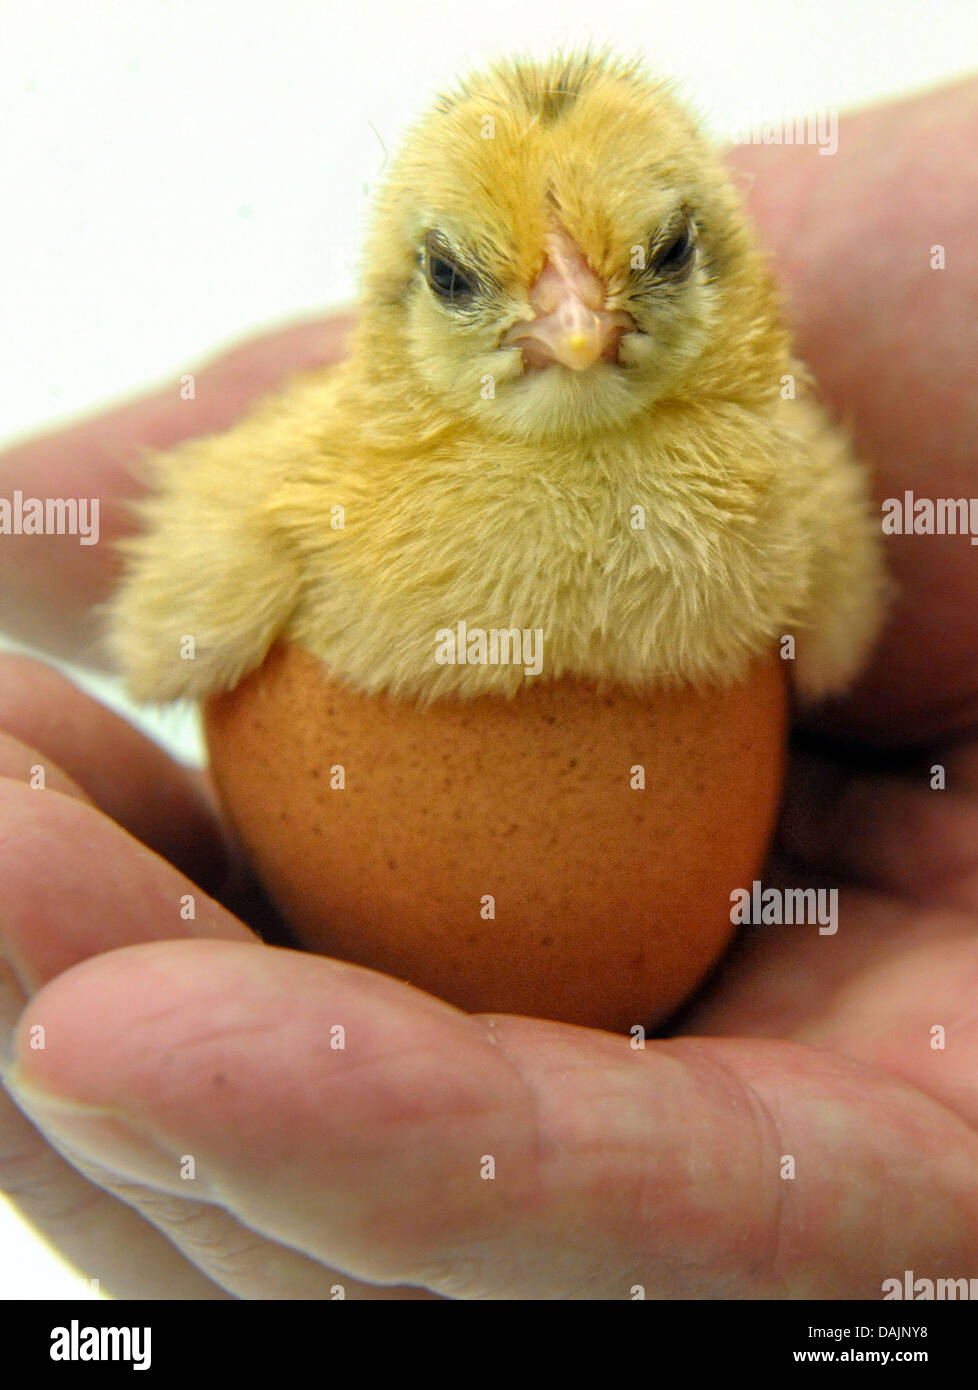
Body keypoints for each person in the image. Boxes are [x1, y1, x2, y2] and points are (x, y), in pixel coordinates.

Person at [0, 77, 976, 1300]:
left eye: (657, 260)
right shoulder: (299, 503)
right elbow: (170, 642)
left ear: (722, 258)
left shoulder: (782, 500)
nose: (576, 321)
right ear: (405, 296)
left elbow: (826, 646)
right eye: (470, 283)